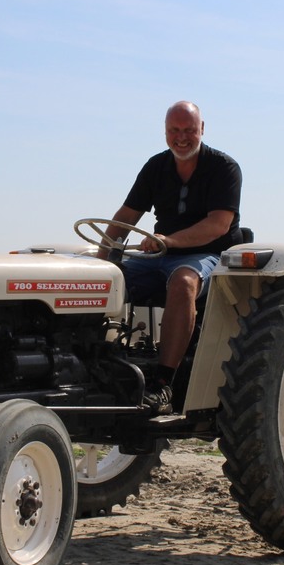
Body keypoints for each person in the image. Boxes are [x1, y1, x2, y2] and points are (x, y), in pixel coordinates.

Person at [101, 101, 243, 414]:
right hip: (159, 255)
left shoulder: (224, 168)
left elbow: (217, 225)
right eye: (174, 131)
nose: (181, 137)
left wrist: (169, 241)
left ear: (202, 130)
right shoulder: (156, 166)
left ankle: (163, 383)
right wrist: (101, 263)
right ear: (165, 132)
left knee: (183, 282)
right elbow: (126, 216)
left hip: (207, 255)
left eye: (189, 130)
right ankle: (98, 361)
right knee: (107, 280)